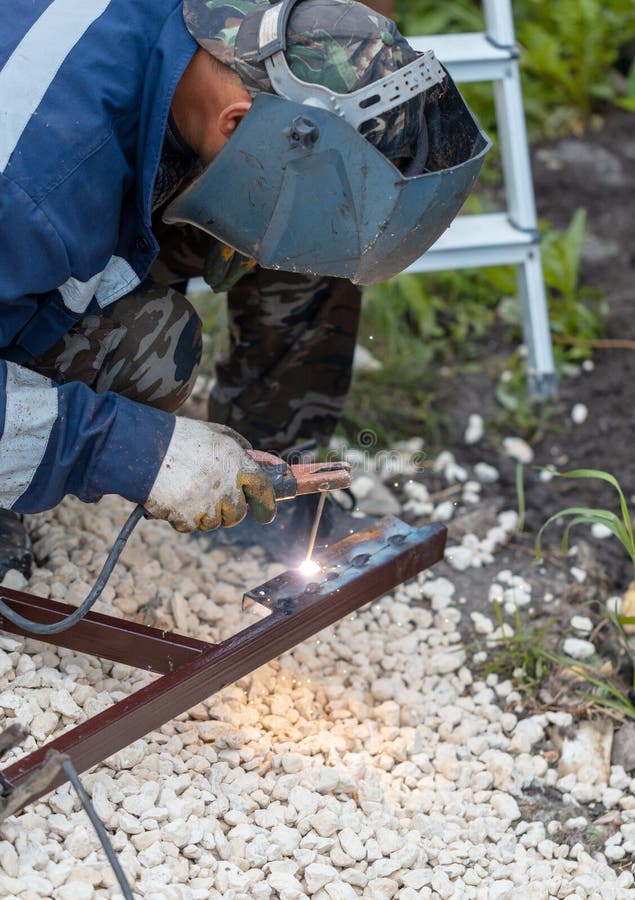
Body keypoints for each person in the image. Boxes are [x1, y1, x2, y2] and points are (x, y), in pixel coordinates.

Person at [0, 0, 488, 576]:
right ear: (234, 125)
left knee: (312, 221)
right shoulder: (29, 192)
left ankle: (274, 497)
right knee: (150, 351)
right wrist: (136, 451)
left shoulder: (228, 39)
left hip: (94, 163)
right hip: (32, 204)